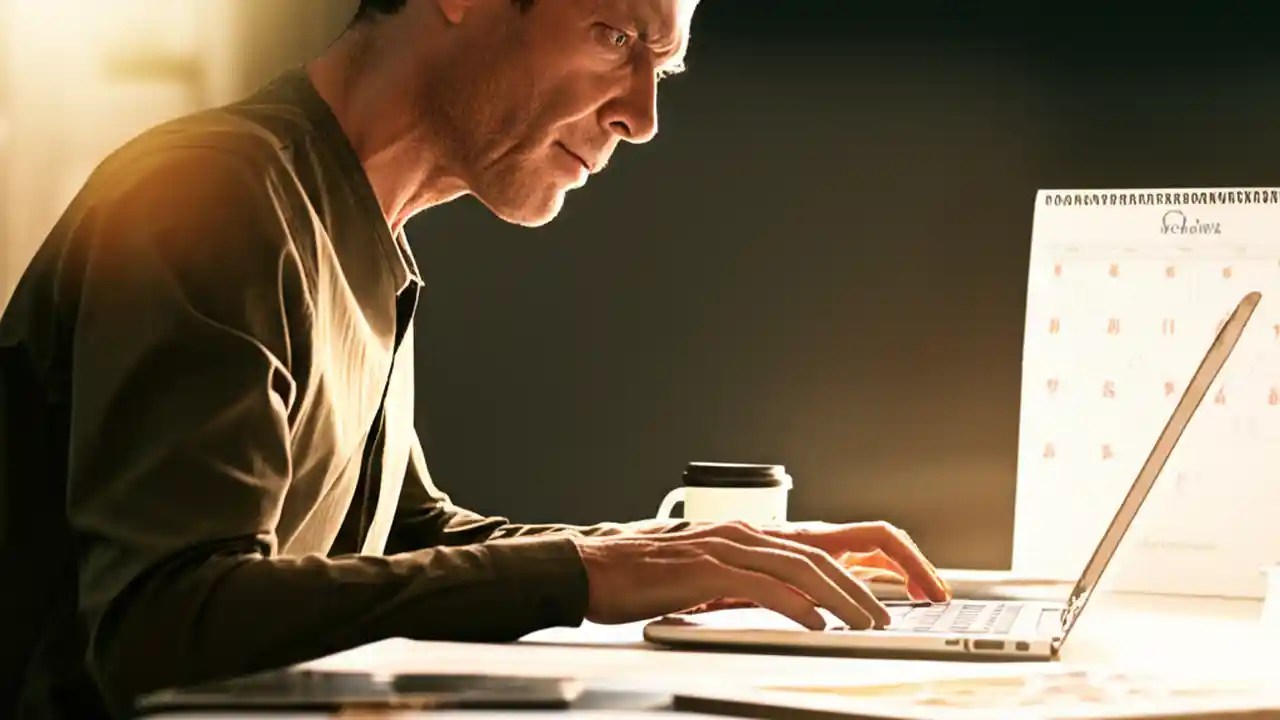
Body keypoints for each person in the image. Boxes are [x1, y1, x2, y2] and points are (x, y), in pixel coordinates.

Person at [0, 0, 951, 717]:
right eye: (618, 37)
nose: (644, 116)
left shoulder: (359, 230)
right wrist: (580, 571)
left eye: (667, 66)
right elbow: (161, 624)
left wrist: (667, 554)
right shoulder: (212, 195)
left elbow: (402, 537)